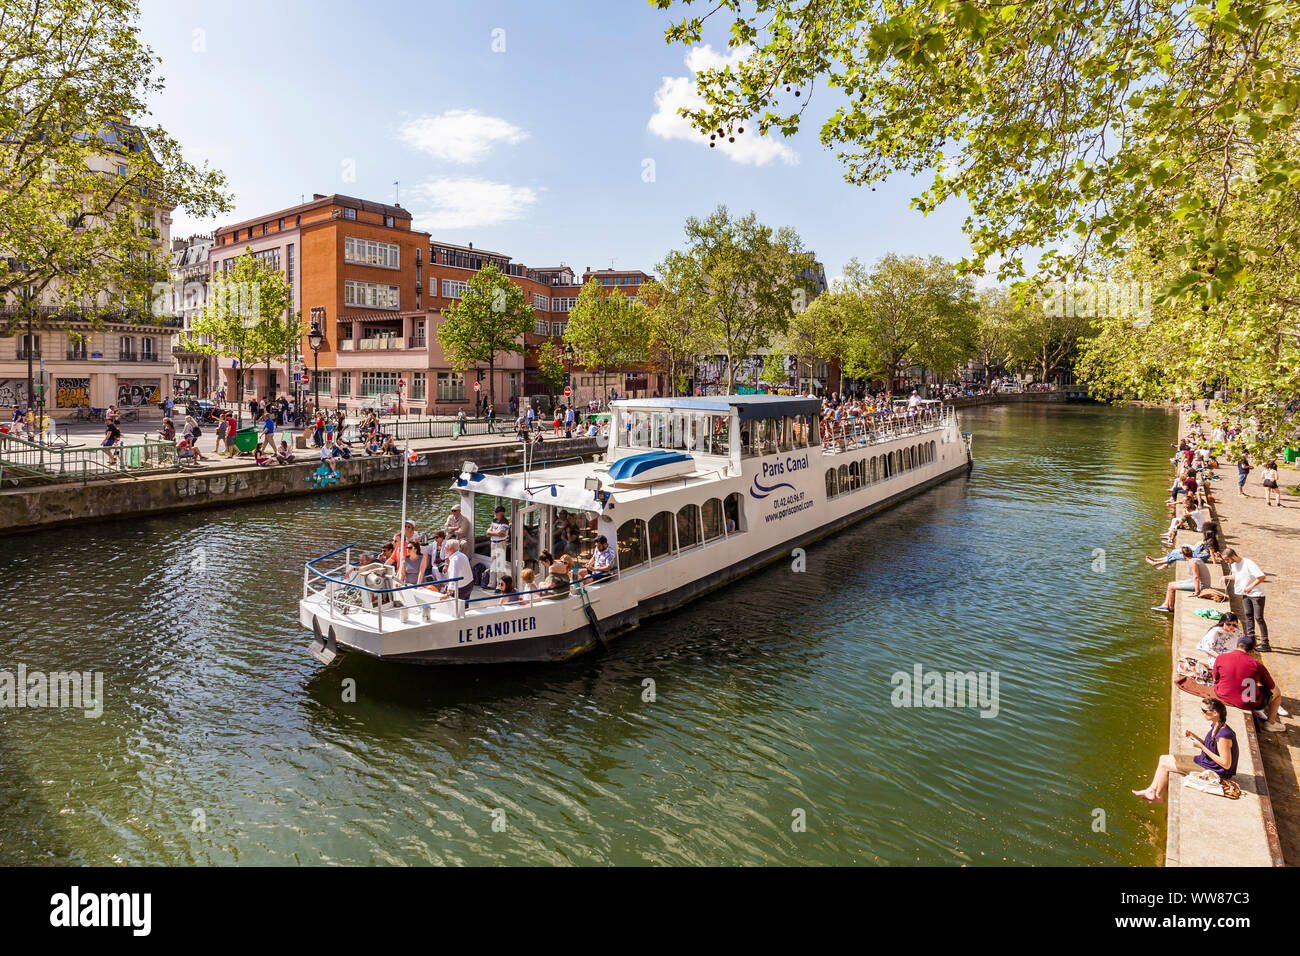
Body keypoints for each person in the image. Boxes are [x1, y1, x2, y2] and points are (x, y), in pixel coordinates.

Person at [1132, 698, 1238, 803]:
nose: (1202, 713)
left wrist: (1201, 747)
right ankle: (1151, 791)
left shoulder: (1223, 736)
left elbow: (1226, 764)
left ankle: (1158, 796)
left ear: (1215, 713)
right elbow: (1213, 747)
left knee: (1164, 765)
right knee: (1163, 758)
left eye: (1204, 711)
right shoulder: (1217, 725)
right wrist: (1196, 738)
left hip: (1215, 770)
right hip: (1206, 761)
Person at [1213, 634, 1284, 730]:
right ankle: (1270, 723)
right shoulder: (1257, 665)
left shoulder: (1221, 657)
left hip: (1222, 693)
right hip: (1246, 703)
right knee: (1277, 692)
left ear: (1236, 645)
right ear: (1252, 651)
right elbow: (1271, 686)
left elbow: (1216, 679)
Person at [1222, 548, 1270, 651]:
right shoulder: (1234, 565)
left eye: (1227, 559)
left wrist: (1250, 587)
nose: (1226, 562)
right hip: (1245, 594)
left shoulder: (1248, 563)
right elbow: (1237, 576)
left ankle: (1265, 643)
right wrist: (1226, 577)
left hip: (1257, 595)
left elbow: (1261, 576)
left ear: (1233, 556)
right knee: (1248, 616)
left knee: (1259, 618)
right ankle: (1251, 640)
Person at [486, 505, 510, 588]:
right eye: (495, 512)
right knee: (492, 564)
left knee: (500, 565)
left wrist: (491, 533)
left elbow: (501, 534)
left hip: (500, 543)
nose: (495, 514)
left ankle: (499, 586)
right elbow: (487, 531)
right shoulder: (494, 520)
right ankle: (491, 584)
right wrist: (494, 533)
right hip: (493, 543)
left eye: (496, 512)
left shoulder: (505, 522)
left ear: (501, 513)